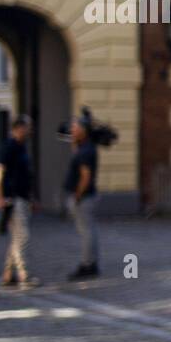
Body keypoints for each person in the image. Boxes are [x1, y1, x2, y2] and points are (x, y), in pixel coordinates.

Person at [0, 115, 38, 288]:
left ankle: (7, 275)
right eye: (28, 127)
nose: (30, 130)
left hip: (22, 198)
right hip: (12, 198)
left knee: (16, 237)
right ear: (19, 128)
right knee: (23, 236)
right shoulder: (9, 146)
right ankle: (24, 276)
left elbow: (26, 176)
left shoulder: (22, 147)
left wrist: (32, 198)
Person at [64, 113, 100, 280]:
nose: (72, 130)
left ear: (83, 130)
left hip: (84, 197)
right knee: (88, 230)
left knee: (86, 232)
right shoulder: (85, 147)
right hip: (86, 196)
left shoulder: (86, 150)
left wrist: (78, 195)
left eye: (75, 127)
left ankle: (88, 265)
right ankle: (91, 262)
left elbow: (85, 176)